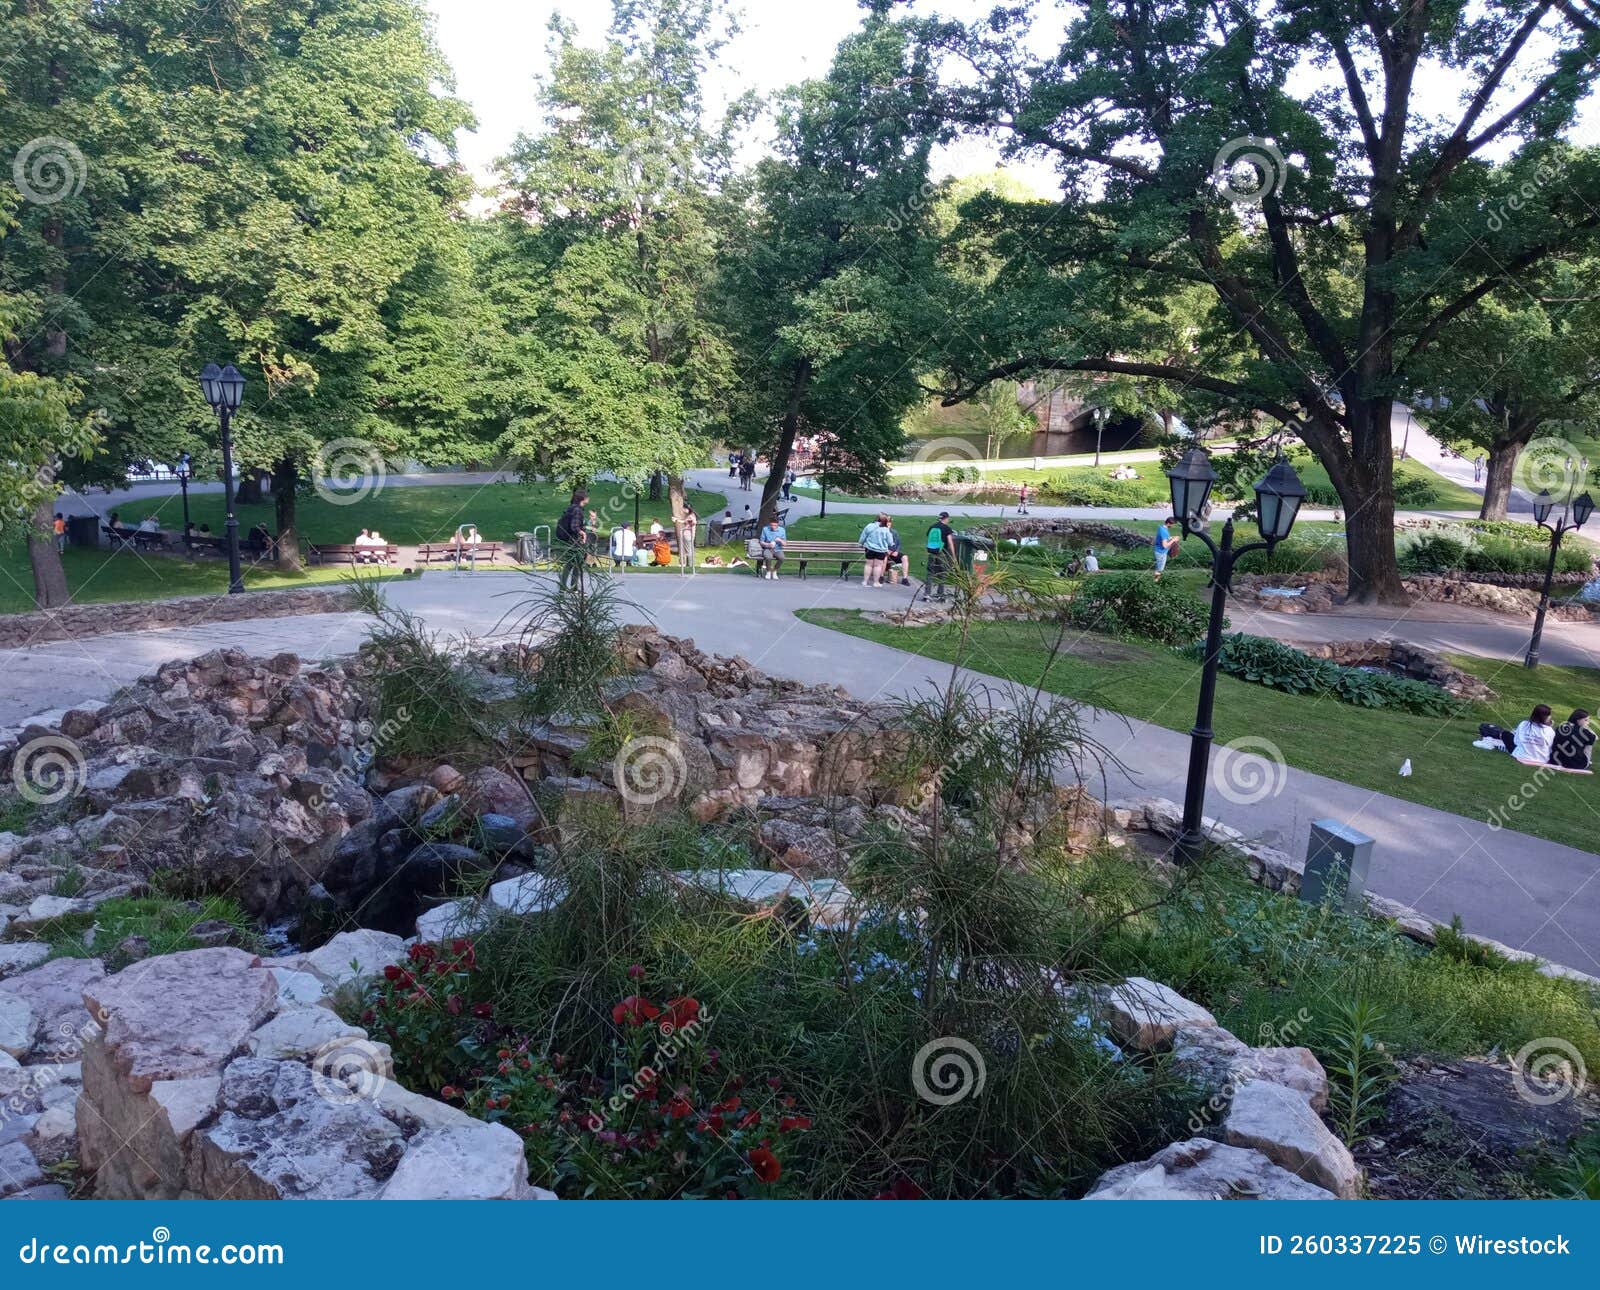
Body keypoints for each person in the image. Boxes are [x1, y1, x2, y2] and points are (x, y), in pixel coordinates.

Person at [554, 489, 590, 589]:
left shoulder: (571, 508)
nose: (588, 498)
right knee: (577, 563)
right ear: (583, 499)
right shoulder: (577, 510)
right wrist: (582, 533)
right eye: (587, 497)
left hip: (569, 539)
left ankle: (565, 586)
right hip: (574, 540)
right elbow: (574, 526)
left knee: (571, 563)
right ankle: (572, 587)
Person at [859, 513, 895, 587]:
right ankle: (876, 582)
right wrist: (892, 544)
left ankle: (865, 581)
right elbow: (890, 542)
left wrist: (861, 543)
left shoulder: (869, 526)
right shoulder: (886, 530)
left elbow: (863, 536)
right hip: (881, 551)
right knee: (877, 566)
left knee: (868, 565)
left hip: (869, 549)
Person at [925, 512, 954, 601]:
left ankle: (927, 593)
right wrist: (953, 555)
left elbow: (928, 537)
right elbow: (950, 542)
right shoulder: (947, 528)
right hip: (941, 552)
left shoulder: (932, 527)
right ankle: (940, 593)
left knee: (930, 573)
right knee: (942, 572)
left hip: (931, 552)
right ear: (946, 518)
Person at [757, 514, 787, 580]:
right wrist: (768, 545)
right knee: (768, 556)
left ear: (778, 524)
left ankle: (774, 571)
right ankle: (768, 571)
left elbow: (785, 544)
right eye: (772, 525)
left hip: (777, 549)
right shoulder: (765, 529)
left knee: (782, 557)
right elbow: (761, 542)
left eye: (775, 525)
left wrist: (780, 540)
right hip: (767, 548)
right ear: (770, 524)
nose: (773, 527)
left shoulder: (782, 530)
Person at [883, 521, 909, 585]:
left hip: (893, 552)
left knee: (905, 557)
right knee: (884, 558)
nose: (888, 523)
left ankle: (905, 579)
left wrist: (896, 551)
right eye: (887, 522)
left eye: (889, 522)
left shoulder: (894, 532)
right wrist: (886, 550)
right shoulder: (881, 531)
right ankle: (881, 577)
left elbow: (898, 543)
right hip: (884, 552)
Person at [680, 505, 698, 576]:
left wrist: (691, 524)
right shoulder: (690, 515)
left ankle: (690, 565)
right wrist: (676, 520)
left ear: (687, 509)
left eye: (684, 509)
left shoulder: (691, 516)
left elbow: (694, 522)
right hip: (688, 534)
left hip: (688, 535)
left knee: (689, 550)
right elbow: (685, 522)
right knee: (689, 549)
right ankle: (690, 565)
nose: (683, 511)